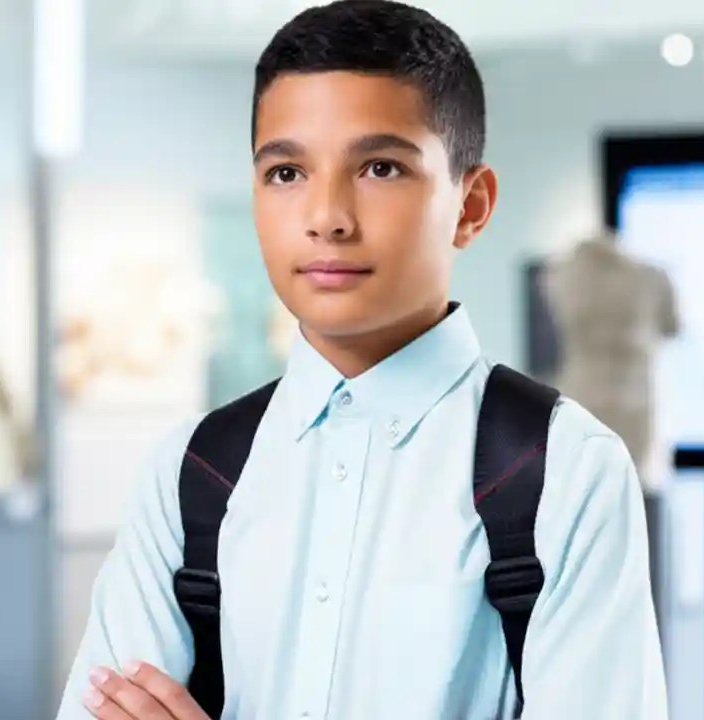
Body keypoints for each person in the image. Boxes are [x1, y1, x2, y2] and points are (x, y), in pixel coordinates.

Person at [56, 1, 667, 718]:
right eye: (287, 172)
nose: (327, 217)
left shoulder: (565, 470)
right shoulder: (191, 473)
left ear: (471, 206)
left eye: (380, 168)